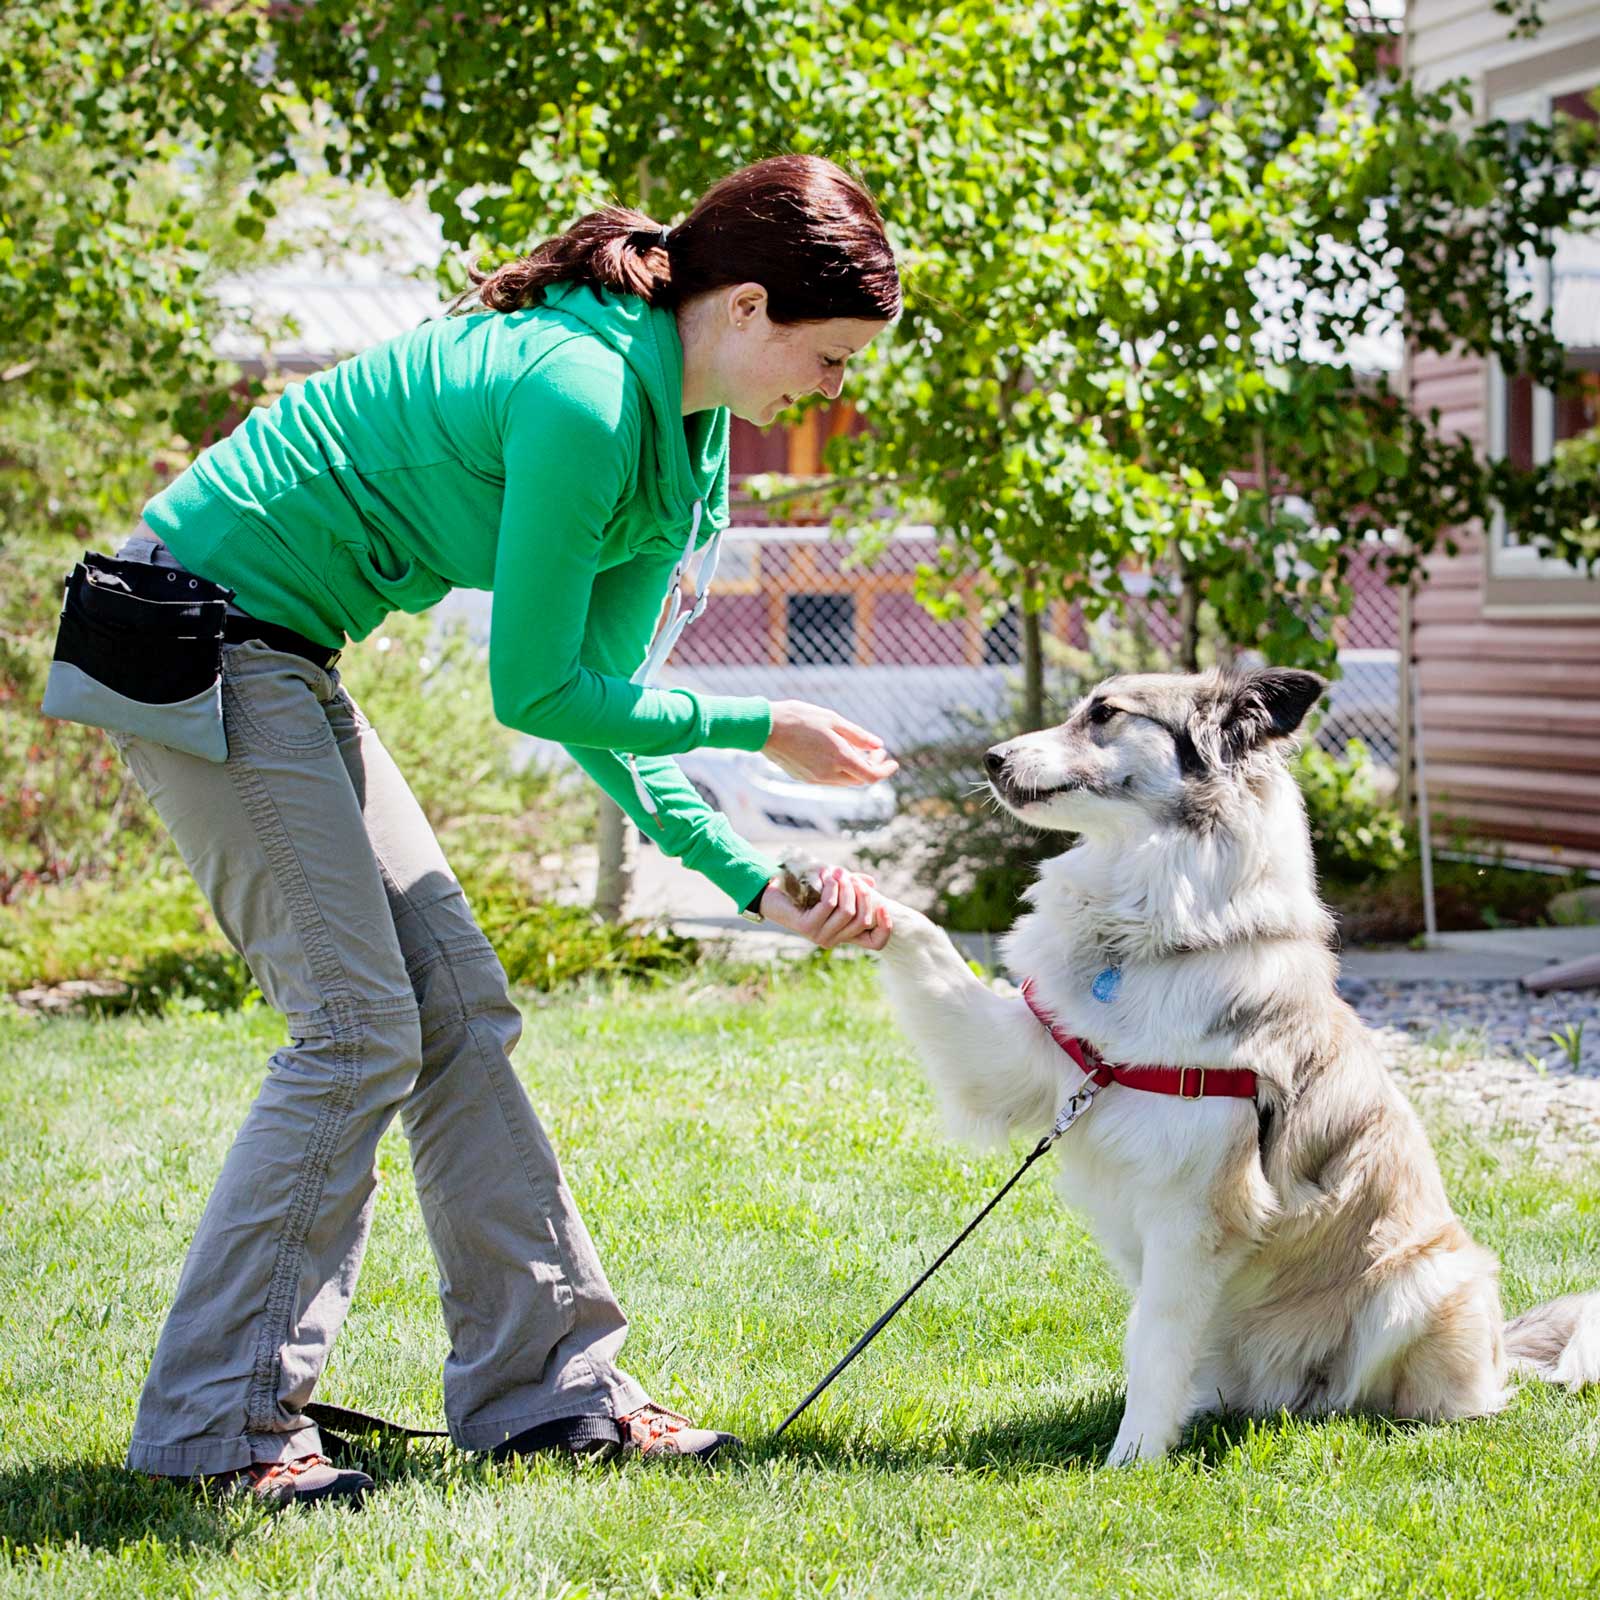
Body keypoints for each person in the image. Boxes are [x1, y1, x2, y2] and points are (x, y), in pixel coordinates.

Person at [104, 154, 902, 1506]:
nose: (830, 395)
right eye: (828, 361)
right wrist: (764, 722)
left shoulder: (681, 443)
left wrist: (749, 878)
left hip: (283, 650)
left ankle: (549, 1401)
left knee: (457, 1011)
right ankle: (216, 1432)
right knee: (357, 1027)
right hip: (190, 628)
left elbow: (601, 703)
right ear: (750, 307)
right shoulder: (584, 393)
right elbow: (527, 689)